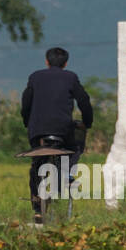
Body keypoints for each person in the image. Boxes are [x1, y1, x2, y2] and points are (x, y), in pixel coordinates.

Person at [20, 47, 93, 226]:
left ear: (46, 61)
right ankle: (67, 174)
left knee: (36, 164)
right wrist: (87, 122)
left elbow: (26, 102)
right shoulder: (70, 77)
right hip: (62, 131)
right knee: (73, 147)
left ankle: (37, 208)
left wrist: (27, 122)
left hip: (37, 131)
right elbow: (84, 101)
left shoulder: (35, 77)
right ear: (65, 63)